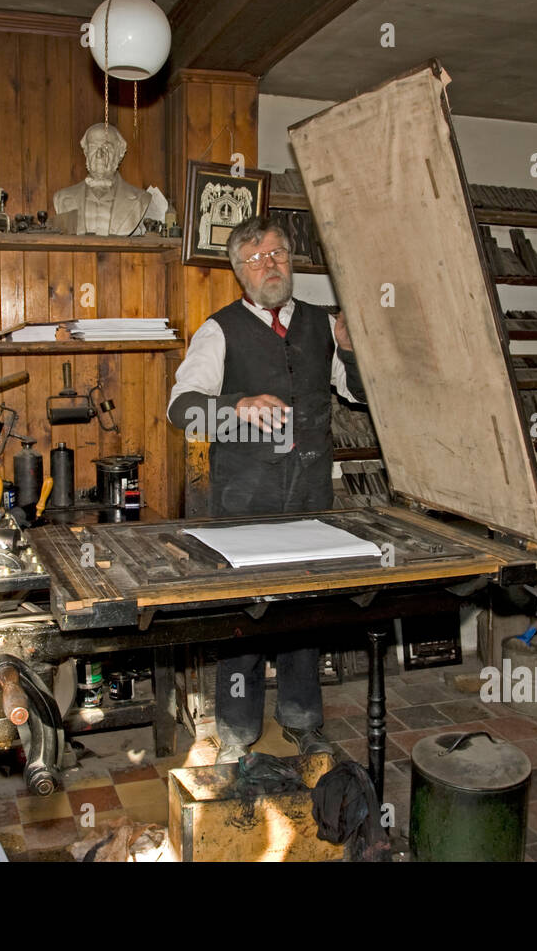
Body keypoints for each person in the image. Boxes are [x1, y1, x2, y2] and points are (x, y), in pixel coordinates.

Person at [167, 215, 367, 764]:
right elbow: (182, 411)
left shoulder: (322, 324)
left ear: (292, 262)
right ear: (239, 272)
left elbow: (360, 396)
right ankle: (236, 731)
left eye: (277, 254)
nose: (269, 266)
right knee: (247, 617)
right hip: (245, 501)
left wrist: (349, 350)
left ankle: (303, 720)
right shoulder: (220, 329)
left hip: (309, 494)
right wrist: (236, 407)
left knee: (305, 611)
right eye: (255, 259)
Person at [52, 123, 152, 236]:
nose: (99, 155)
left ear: (120, 154)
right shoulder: (61, 198)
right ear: (86, 152)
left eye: (107, 147)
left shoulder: (140, 199)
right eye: (94, 147)